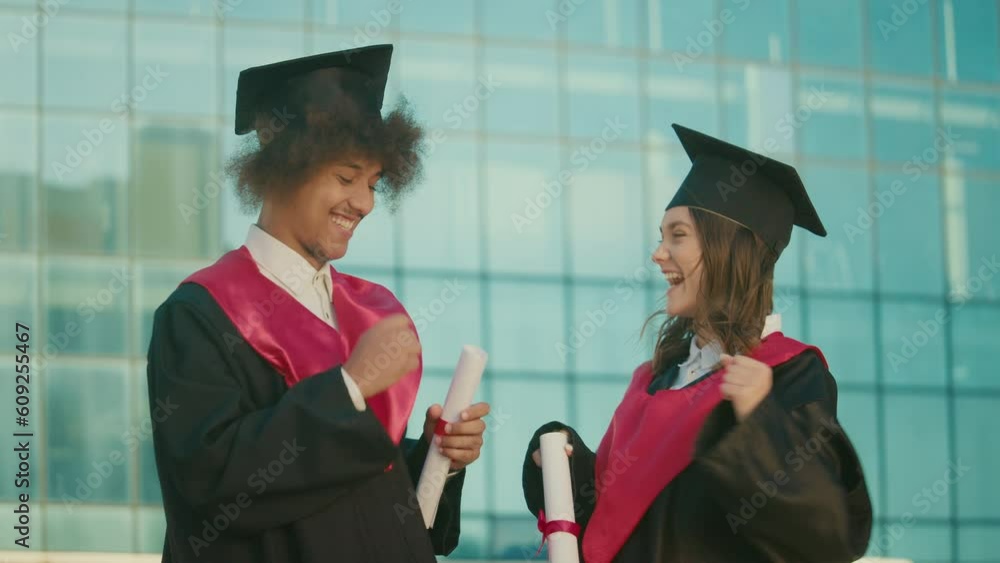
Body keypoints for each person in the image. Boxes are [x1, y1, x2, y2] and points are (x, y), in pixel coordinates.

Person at [146, 44, 489, 563]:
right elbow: (210, 486)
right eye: (346, 177)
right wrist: (349, 386)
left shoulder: (366, 309)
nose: (365, 202)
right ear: (281, 165)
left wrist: (437, 458)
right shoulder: (199, 313)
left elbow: (379, 507)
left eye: (374, 183)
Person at [523, 124, 873, 563]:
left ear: (730, 248)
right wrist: (562, 463)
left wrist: (760, 426)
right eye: (661, 235)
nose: (658, 253)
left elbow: (825, 534)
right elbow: (623, 520)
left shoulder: (790, 373)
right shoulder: (657, 379)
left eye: (678, 235)